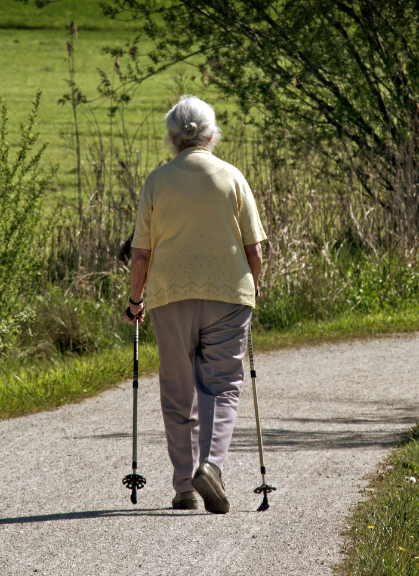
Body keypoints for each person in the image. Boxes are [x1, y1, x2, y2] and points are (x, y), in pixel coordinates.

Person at [124, 95, 266, 514]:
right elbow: (254, 249)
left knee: (177, 390)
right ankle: (212, 467)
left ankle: (185, 485)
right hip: (228, 295)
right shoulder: (231, 177)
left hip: (170, 297)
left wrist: (135, 301)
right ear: (211, 134)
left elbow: (141, 256)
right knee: (221, 385)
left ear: (173, 138)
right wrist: (254, 287)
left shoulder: (157, 181)